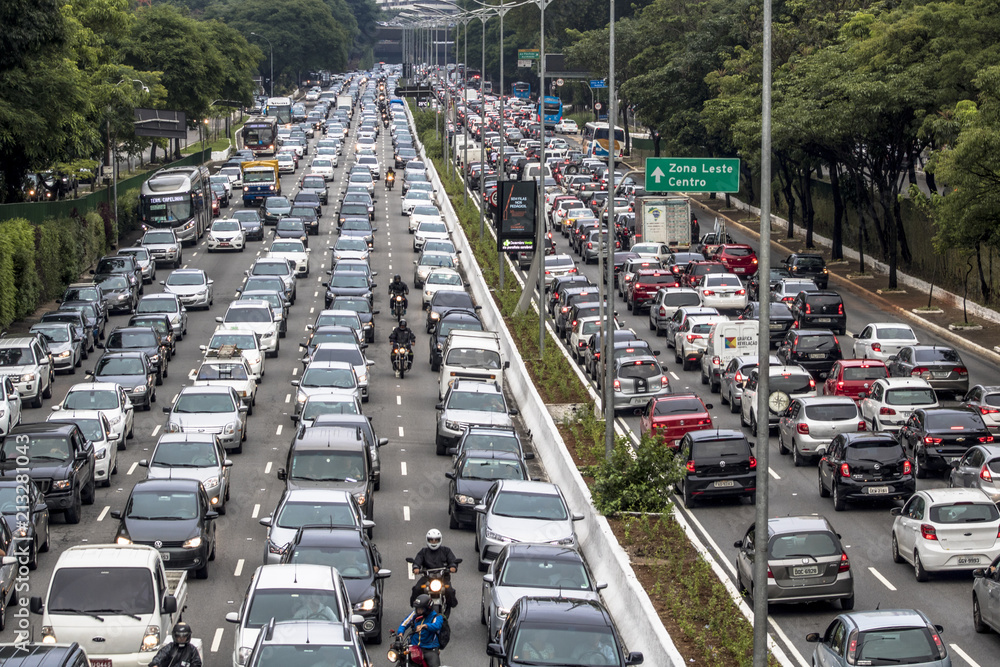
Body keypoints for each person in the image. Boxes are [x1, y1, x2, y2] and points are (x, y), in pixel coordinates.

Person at [410, 529, 459, 612]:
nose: (433, 542)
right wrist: (416, 567)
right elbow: (418, 560)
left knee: (449, 590)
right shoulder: (423, 551)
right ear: (427, 540)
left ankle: (450, 605)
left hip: (443, 577)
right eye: (431, 540)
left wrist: (453, 566)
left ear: (440, 540)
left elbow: (452, 560)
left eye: (436, 540)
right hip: (427, 577)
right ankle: (417, 607)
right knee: (417, 588)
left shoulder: (446, 550)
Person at [396, 595, 444, 667]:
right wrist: (400, 633)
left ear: (428, 608)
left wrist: (425, 626)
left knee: (434, 665)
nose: (418, 611)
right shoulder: (414, 614)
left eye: (421, 609)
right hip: (413, 647)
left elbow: (437, 625)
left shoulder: (437, 616)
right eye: (417, 609)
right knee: (401, 662)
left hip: (429, 648)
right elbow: (404, 624)